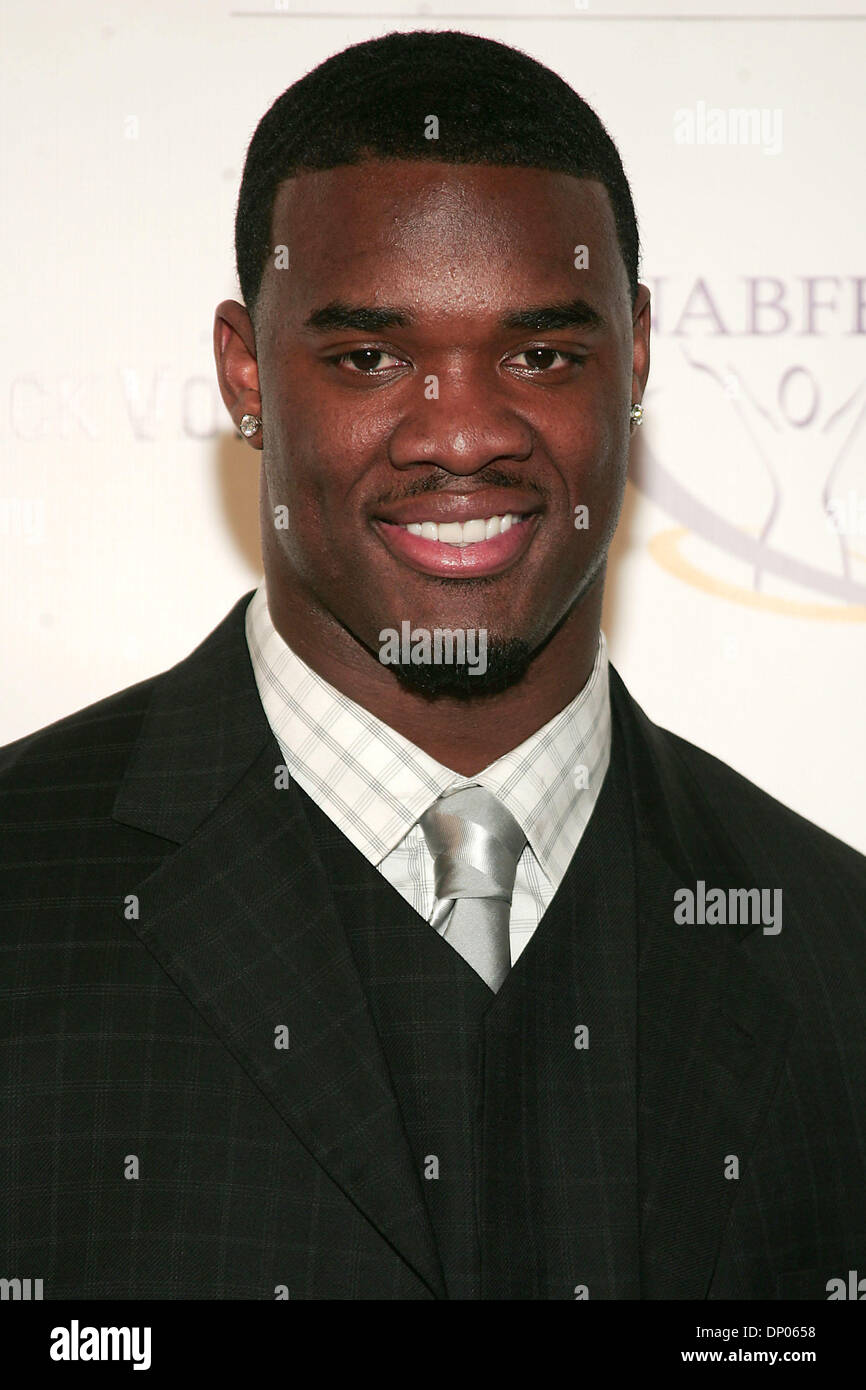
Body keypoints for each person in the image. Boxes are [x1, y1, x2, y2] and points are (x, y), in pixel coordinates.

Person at [1, 29, 864, 1302]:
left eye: (539, 354)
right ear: (245, 372)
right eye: (369, 357)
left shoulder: (834, 948)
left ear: (633, 353)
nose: (461, 433)